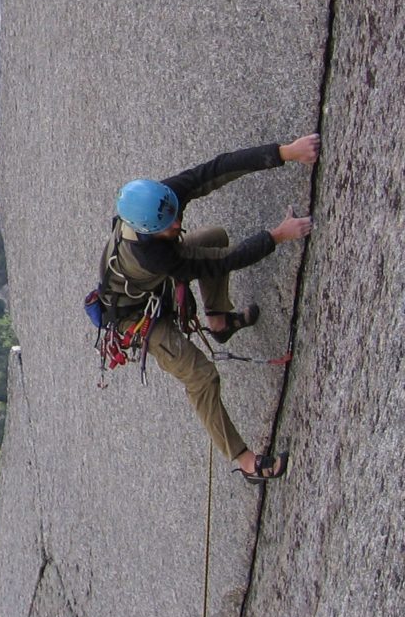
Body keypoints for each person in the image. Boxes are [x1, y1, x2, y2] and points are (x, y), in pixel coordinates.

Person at [99, 134, 320, 483]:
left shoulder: (158, 200)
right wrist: (277, 236)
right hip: (134, 318)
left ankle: (219, 321)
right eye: (167, 226)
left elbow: (214, 170)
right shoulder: (153, 254)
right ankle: (247, 462)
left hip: (149, 286)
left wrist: (285, 153)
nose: (177, 224)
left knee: (213, 234)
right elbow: (220, 263)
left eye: (174, 216)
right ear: (146, 230)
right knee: (201, 376)